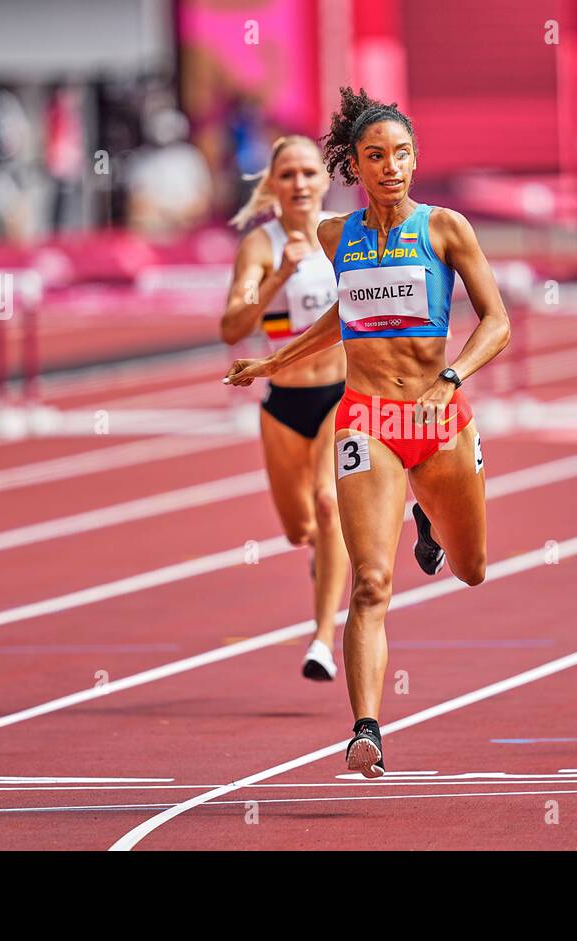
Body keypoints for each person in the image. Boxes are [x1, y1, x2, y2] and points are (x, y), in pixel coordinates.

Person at [224, 89, 511, 776]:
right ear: (354, 164)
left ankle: (432, 526)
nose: (391, 166)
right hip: (367, 421)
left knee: (471, 569)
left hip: (438, 419)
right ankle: (366, 729)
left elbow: (497, 321)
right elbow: (347, 318)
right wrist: (275, 357)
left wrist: (452, 378)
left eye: (402, 154)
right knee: (371, 583)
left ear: (415, 160)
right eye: (376, 156)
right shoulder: (333, 236)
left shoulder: (445, 229)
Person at [221, 135, 348, 681]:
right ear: (273, 185)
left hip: (341, 396)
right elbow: (232, 327)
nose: (299, 183)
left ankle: (323, 639)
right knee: (301, 532)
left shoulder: (349, 236)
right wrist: (279, 275)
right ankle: (323, 560)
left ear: (325, 181)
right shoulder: (261, 245)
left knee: (328, 503)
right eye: (288, 175)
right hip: (282, 403)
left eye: (308, 173)